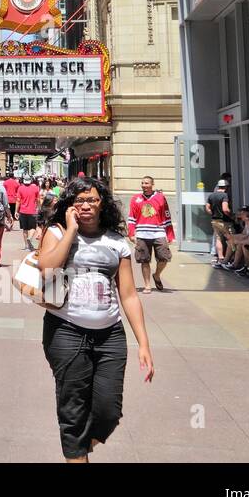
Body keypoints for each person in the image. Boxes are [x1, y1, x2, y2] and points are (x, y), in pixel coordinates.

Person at [35, 177, 154, 462]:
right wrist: (71, 231)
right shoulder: (57, 231)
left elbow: (128, 295)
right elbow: (47, 268)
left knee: (108, 411)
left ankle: (77, 446)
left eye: (91, 199)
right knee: (73, 410)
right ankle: (75, 449)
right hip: (65, 331)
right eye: (79, 200)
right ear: (70, 205)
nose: (85, 205)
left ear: (103, 204)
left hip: (110, 335)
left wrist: (144, 344)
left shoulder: (116, 241)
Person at [127, 176, 174, 293]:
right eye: (142, 183)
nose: (144, 185)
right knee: (144, 260)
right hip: (142, 233)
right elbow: (131, 218)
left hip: (159, 232)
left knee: (164, 257)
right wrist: (131, 233)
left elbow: (167, 215)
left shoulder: (160, 197)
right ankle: (147, 285)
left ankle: (157, 275)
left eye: (146, 183)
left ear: (152, 184)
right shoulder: (135, 198)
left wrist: (170, 234)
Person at [205, 175, 235, 266]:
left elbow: (207, 208)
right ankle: (232, 257)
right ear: (225, 187)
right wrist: (231, 215)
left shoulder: (211, 195)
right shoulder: (224, 195)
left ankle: (221, 257)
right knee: (231, 239)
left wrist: (213, 213)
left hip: (214, 221)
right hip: (224, 221)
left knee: (218, 239)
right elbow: (225, 209)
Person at [16, 175, 42, 250]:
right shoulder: (35, 188)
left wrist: (16, 211)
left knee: (25, 229)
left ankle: (26, 246)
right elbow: (38, 200)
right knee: (33, 227)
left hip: (22, 211)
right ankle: (30, 238)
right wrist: (39, 208)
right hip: (32, 211)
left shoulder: (20, 188)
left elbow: (18, 200)